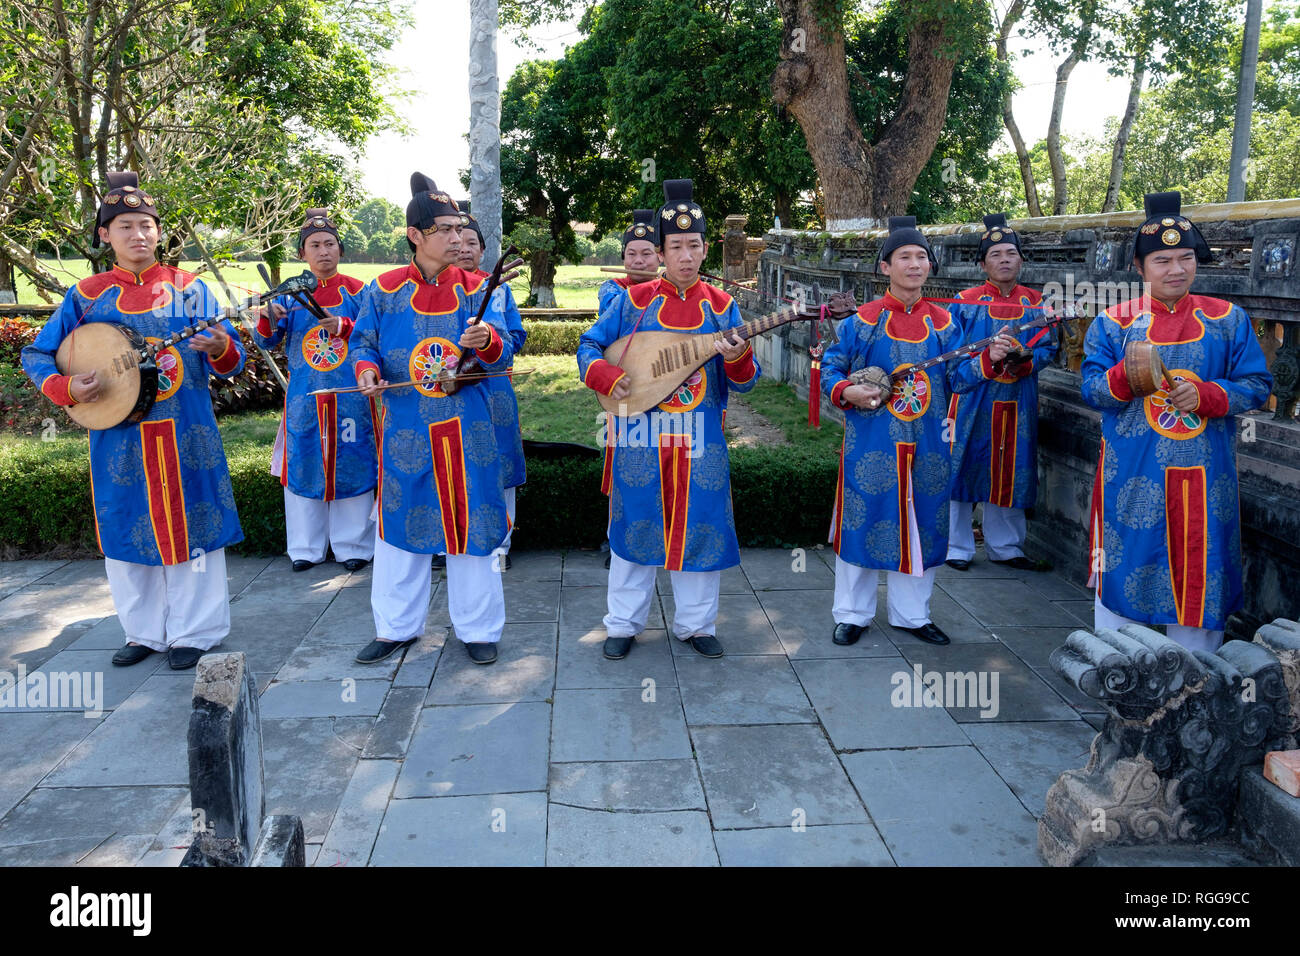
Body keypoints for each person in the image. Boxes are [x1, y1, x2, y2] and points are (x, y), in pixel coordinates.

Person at [20, 171, 245, 670]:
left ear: (158, 231)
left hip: (188, 433)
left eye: (146, 225)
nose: (138, 235)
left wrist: (222, 347)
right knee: (127, 528)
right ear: (105, 236)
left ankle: (195, 631)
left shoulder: (190, 290)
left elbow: (235, 363)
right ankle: (143, 631)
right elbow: (36, 353)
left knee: (194, 527)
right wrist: (64, 387)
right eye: (125, 226)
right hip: (120, 438)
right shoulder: (87, 295)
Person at [1080, 191, 1272, 652]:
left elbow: (1258, 384)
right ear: (1140, 268)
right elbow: (1091, 390)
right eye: (1163, 260)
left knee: (1200, 567)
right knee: (1127, 561)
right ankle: (1119, 666)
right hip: (1133, 471)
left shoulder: (1228, 320)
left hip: (1206, 473)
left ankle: (1199, 677)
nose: (1177, 269)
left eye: (1186, 258)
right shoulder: (1112, 323)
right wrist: (1127, 376)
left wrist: (1206, 394)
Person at [577, 180, 757, 660]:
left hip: (701, 438)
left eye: (693, 245)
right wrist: (605, 374)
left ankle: (697, 625)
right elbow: (590, 345)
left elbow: (744, 380)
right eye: (675, 246)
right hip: (641, 434)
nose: (685, 255)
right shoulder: (634, 301)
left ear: (704, 249)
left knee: (701, 525)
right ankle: (623, 623)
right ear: (660, 251)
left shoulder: (721, 306)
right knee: (636, 522)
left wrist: (738, 358)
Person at [350, 173, 514, 666]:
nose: (457, 239)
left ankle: (479, 627)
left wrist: (488, 342)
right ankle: (395, 627)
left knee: (473, 527)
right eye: (444, 229)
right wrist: (368, 371)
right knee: (401, 529)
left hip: (470, 429)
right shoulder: (382, 290)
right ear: (415, 235)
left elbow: (502, 349)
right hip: (407, 430)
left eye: (460, 229)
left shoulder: (480, 287)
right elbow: (363, 343)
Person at [820, 216, 963, 647]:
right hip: (872, 442)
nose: (915, 264)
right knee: (864, 520)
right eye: (905, 257)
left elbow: (962, 373)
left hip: (928, 444)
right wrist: (847, 389)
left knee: (924, 523)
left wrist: (994, 358)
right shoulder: (861, 321)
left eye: (922, 257)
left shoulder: (944, 322)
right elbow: (831, 367)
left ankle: (913, 615)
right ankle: (852, 614)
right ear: (886, 267)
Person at [254, 209, 376, 573]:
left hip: (351, 397)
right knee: (304, 464)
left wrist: (345, 325)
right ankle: (305, 548)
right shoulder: (290, 294)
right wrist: (269, 315)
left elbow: (374, 337)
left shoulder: (359, 292)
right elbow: (266, 340)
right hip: (305, 397)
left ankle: (353, 546)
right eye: (314, 245)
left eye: (329, 244)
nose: (323, 251)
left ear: (340, 249)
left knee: (352, 462)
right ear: (302, 253)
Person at [945, 213, 1057, 572]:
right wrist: (986, 359)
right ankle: (956, 546)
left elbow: (1048, 347)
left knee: (1012, 469)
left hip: (1017, 401)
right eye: (996, 255)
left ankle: (1006, 546)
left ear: (1021, 260)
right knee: (962, 467)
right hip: (972, 399)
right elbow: (951, 352)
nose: (1005, 260)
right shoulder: (965, 302)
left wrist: (1024, 361)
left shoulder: (1037, 303)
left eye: (1011, 253)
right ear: (983, 264)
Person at [458, 212, 526, 571]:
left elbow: (515, 337)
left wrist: (492, 343)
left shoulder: (499, 287)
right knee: (453, 460)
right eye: (459, 241)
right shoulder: (435, 290)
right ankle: (449, 540)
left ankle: (500, 544)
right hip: (449, 391)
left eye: (473, 243)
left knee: (497, 461)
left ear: (483, 251)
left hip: (495, 390)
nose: (465, 249)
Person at [595, 210, 661, 568]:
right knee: (623, 465)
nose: (639, 260)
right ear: (623, 259)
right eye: (632, 254)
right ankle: (616, 539)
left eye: (647, 253)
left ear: (658, 256)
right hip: (625, 388)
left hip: (665, 389)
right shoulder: (613, 291)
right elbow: (621, 321)